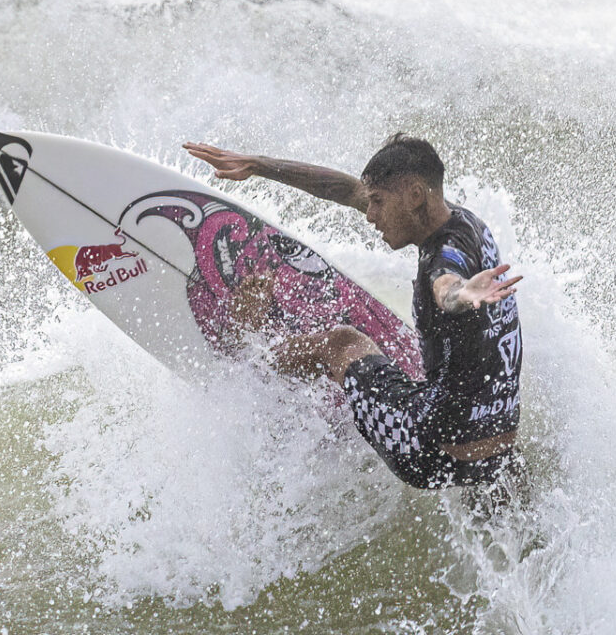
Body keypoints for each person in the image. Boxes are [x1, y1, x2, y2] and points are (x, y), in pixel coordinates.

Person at [183, 134, 523, 490]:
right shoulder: (467, 225)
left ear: (416, 195)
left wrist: (461, 294)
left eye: (377, 202)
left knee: (342, 343)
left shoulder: (443, 260)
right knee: (475, 388)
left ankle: (251, 356)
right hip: (495, 450)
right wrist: (258, 165)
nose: (370, 215)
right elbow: (345, 189)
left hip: (428, 451)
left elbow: (446, 285)